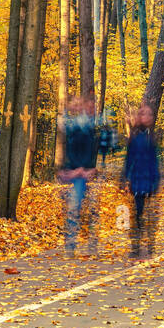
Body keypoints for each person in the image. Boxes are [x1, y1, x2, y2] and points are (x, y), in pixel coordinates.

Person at [57, 95, 100, 257]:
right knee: (74, 208)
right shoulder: (70, 125)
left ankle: (81, 244)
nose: (76, 107)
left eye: (78, 104)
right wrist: (66, 170)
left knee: (84, 208)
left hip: (83, 173)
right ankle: (72, 244)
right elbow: (69, 151)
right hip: (73, 173)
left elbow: (89, 150)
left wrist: (86, 169)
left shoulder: (87, 127)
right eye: (73, 104)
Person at [121, 104, 161, 259]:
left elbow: (155, 162)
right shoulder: (134, 137)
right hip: (137, 180)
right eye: (144, 114)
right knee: (137, 213)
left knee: (150, 214)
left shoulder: (152, 138)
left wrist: (157, 180)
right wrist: (124, 179)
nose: (147, 117)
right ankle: (135, 245)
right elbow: (128, 160)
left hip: (150, 180)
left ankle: (150, 245)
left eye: (150, 114)